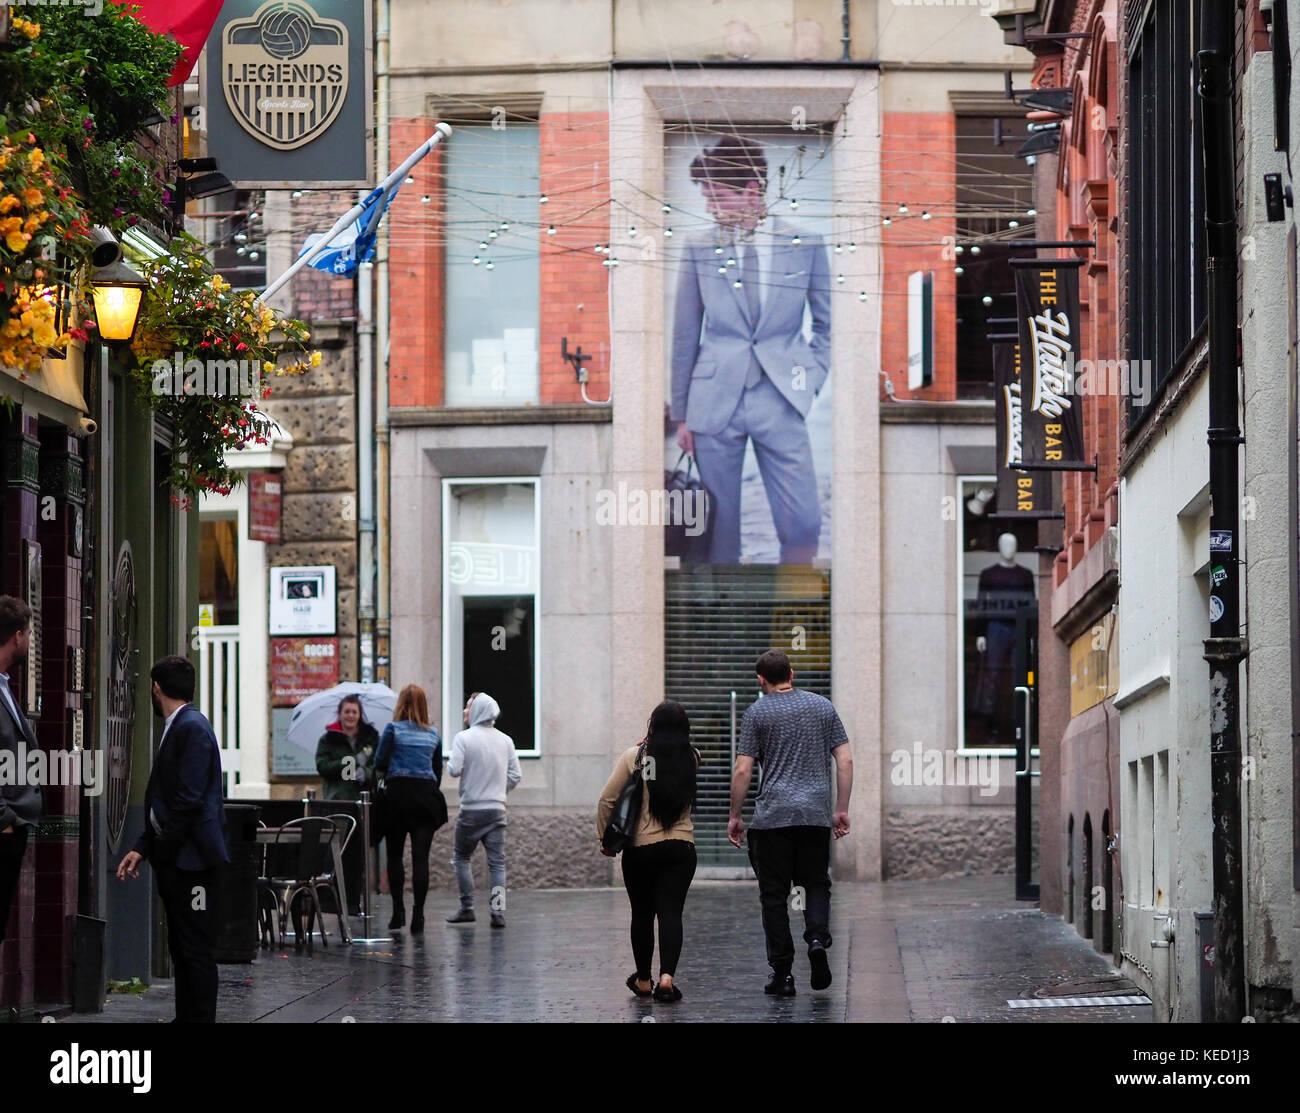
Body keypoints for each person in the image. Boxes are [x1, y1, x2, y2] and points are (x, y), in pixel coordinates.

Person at [670, 133, 830, 563]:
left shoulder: (807, 245)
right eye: (706, 197)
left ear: (752, 191)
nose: (710, 207)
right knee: (718, 530)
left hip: (780, 399)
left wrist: (807, 381)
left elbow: (827, 324)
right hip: (712, 403)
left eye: (718, 196)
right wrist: (681, 413)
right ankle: (721, 622)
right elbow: (685, 333)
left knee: (804, 524)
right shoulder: (699, 248)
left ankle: (795, 617)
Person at [728, 649, 853, 996]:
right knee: (815, 882)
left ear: (760, 680)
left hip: (772, 820)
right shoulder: (823, 707)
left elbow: (743, 769)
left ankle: (782, 973)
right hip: (813, 815)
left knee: (774, 895)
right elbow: (845, 760)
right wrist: (841, 809)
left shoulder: (756, 713)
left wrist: (735, 816)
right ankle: (816, 938)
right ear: (792, 673)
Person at [116, 655, 230, 1023]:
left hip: (191, 862)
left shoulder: (191, 727)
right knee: (183, 946)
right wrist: (143, 846)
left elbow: (188, 799)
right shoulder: (181, 725)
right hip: (179, 858)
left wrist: (161, 847)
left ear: (156, 688)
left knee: (194, 948)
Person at [596, 700, 699, 1003]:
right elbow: (673, 758)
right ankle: (667, 978)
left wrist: (605, 839)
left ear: (652, 726)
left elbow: (607, 799)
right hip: (681, 847)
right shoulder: (693, 757)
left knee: (642, 915)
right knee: (671, 913)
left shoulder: (635, 757)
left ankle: (643, 980)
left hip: (640, 850)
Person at [373, 684, 447, 933]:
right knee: (420, 858)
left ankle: (398, 911)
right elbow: (437, 772)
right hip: (426, 797)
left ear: (400, 704)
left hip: (398, 796)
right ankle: (419, 914)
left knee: (395, 855)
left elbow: (380, 763)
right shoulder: (434, 735)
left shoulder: (393, 729)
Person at [445, 692, 520, 928]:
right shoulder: (506, 740)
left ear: (476, 711)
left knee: (461, 857)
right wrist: (499, 791)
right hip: (497, 809)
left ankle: (467, 908)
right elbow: (516, 775)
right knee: (497, 863)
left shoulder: (463, 738)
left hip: (471, 810)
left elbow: (454, 770)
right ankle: (497, 912)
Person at [314, 693, 379, 914]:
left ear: (360, 715)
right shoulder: (328, 738)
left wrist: (366, 772)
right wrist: (348, 763)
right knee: (333, 854)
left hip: (361, 804)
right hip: (336, 802)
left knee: (356, 855)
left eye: (354, 712)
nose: (350, 716)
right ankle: (329, 902)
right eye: (346, 712)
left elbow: (379, 766)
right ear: (340, 714)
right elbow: (322, 765)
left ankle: (354, 901)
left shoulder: (370, 738)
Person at [0, 597, 41, 945]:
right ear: (16, 636)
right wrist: (5, 820)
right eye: (29, 633)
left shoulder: (5, 686)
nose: (30, 642)